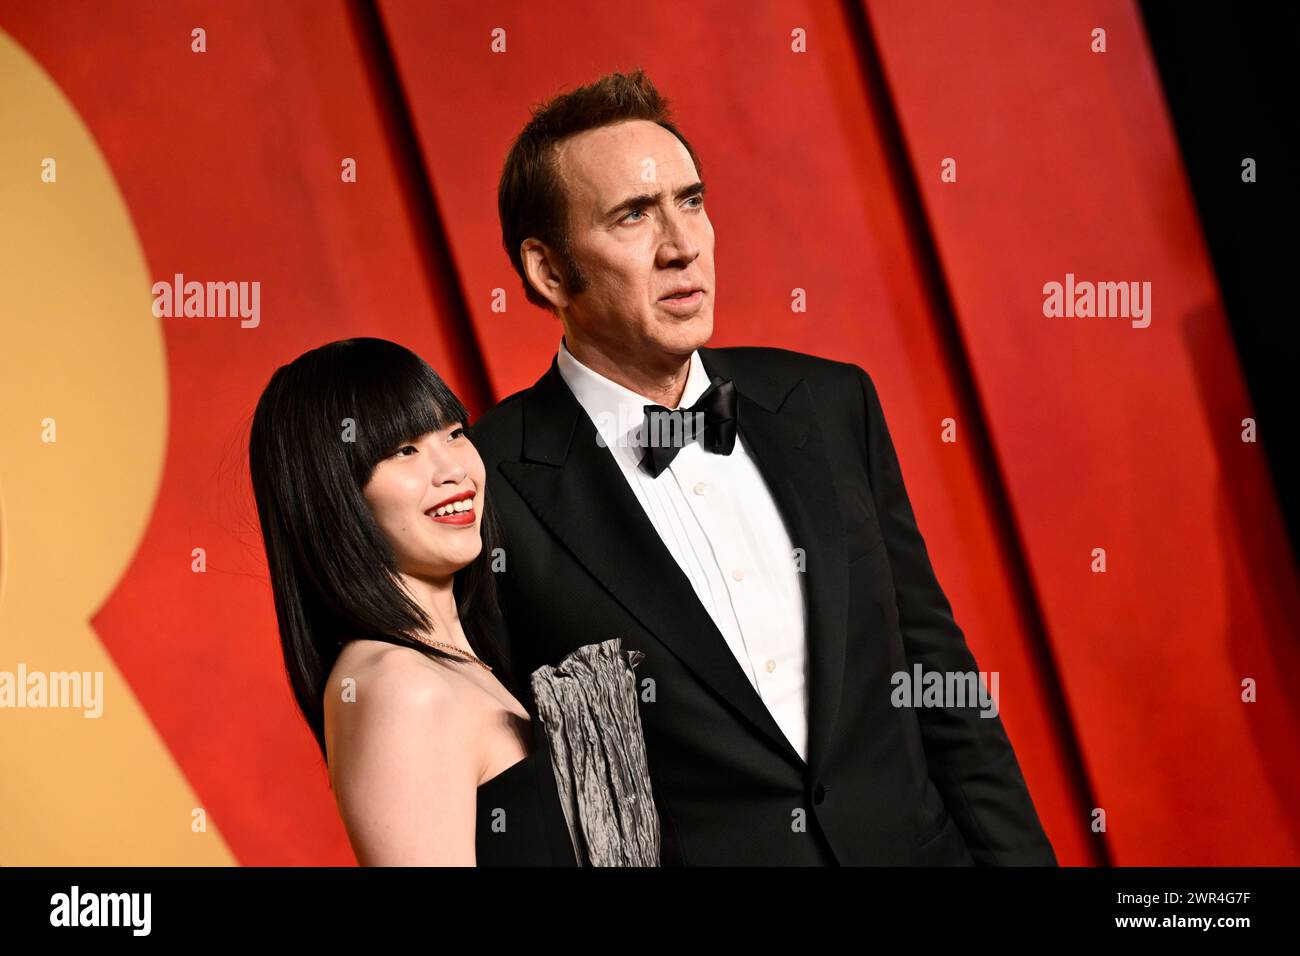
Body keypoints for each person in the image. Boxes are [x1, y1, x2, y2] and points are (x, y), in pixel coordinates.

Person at [470, 69, 1057, 865]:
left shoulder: (830, 401)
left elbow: (936, 674)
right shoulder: (489, 482)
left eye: (692, 200)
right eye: (633, 215)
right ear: (548, 272)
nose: (682, 245)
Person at [248, 337, 659, 866]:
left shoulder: (469, 662)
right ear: (333, 496)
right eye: (405, 449)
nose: (454, 471)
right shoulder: (398, 685)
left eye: (454, 433)